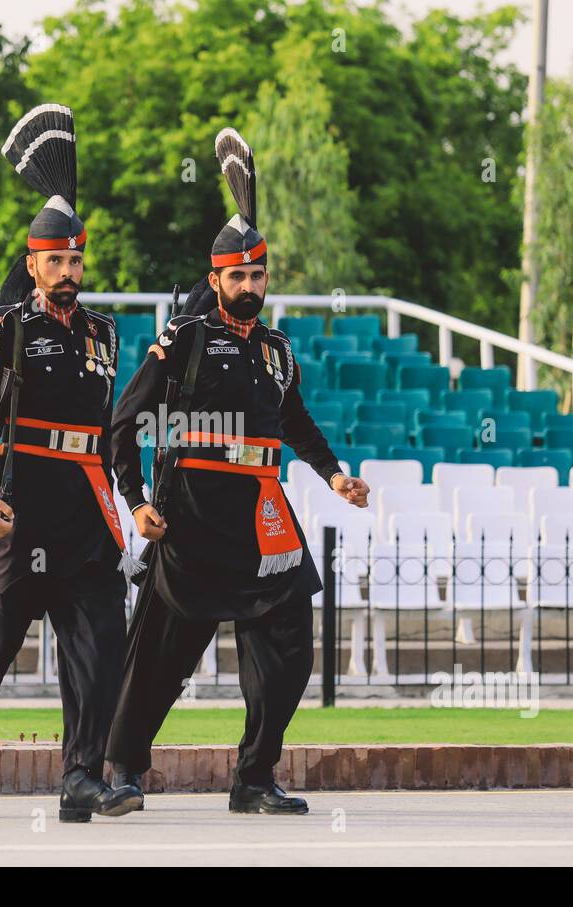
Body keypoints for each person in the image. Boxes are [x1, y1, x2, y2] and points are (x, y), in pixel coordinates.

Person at [105, 128, 370, 814]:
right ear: (216, 277)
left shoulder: (279, 350)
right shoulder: (185, 339)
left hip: (262, 512)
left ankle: (253, 778)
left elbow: (296, 422)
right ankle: (123, 770)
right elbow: (125, 421)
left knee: (290, 653)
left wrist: (335, 475)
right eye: (237, 277)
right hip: (188, 512)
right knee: (158, 662)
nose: (249, 286)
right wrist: (134, 501)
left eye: (258, 275)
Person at [0, 103, 141, 822]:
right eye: (57, 259)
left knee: (101, 643)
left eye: (77, 258)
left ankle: (82, 773)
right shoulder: (7, 328)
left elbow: (112, 429)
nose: (70, 270)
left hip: (87, 506)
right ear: (33, 264)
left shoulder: (107, 334)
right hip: (22, 509)